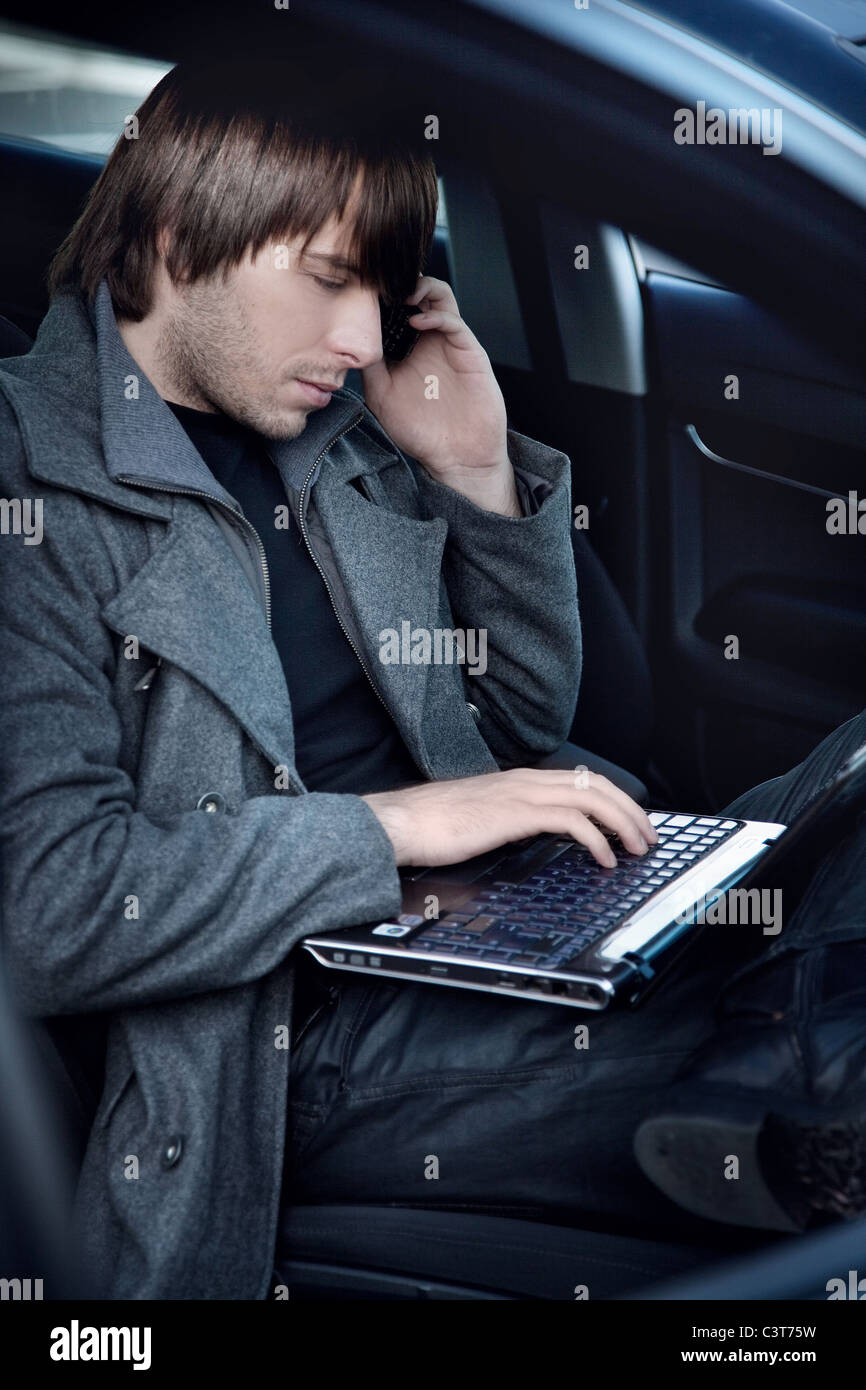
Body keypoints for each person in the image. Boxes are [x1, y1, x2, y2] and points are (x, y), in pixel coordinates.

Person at [0, 57, 862, 1301]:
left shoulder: (330, 439)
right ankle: (785, 1054)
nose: (360, 342)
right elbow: (47, 905)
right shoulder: (31, 480)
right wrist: (394, 829)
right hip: (296, 1038)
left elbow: (511, 729)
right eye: (329, 280)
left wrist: (473, 476)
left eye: (382, 293)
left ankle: (782, 1039)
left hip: (507, 923)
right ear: (181, 233)